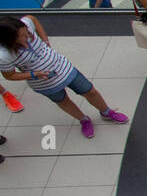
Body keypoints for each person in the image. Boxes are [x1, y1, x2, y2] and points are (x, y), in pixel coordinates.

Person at [0, 15, 129, 138]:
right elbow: (10, 75)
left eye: (26, 31)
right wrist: (34, 74)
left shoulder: (27, 26)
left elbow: (32, 19)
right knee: (62, 100)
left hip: (63, 67)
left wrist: (44, 39)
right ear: (10, 40)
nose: (28, 36)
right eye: (22, 36)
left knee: (89, 90)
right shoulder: (5, 56)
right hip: (44, 83)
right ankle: (83, 120)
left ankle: (106, 111)